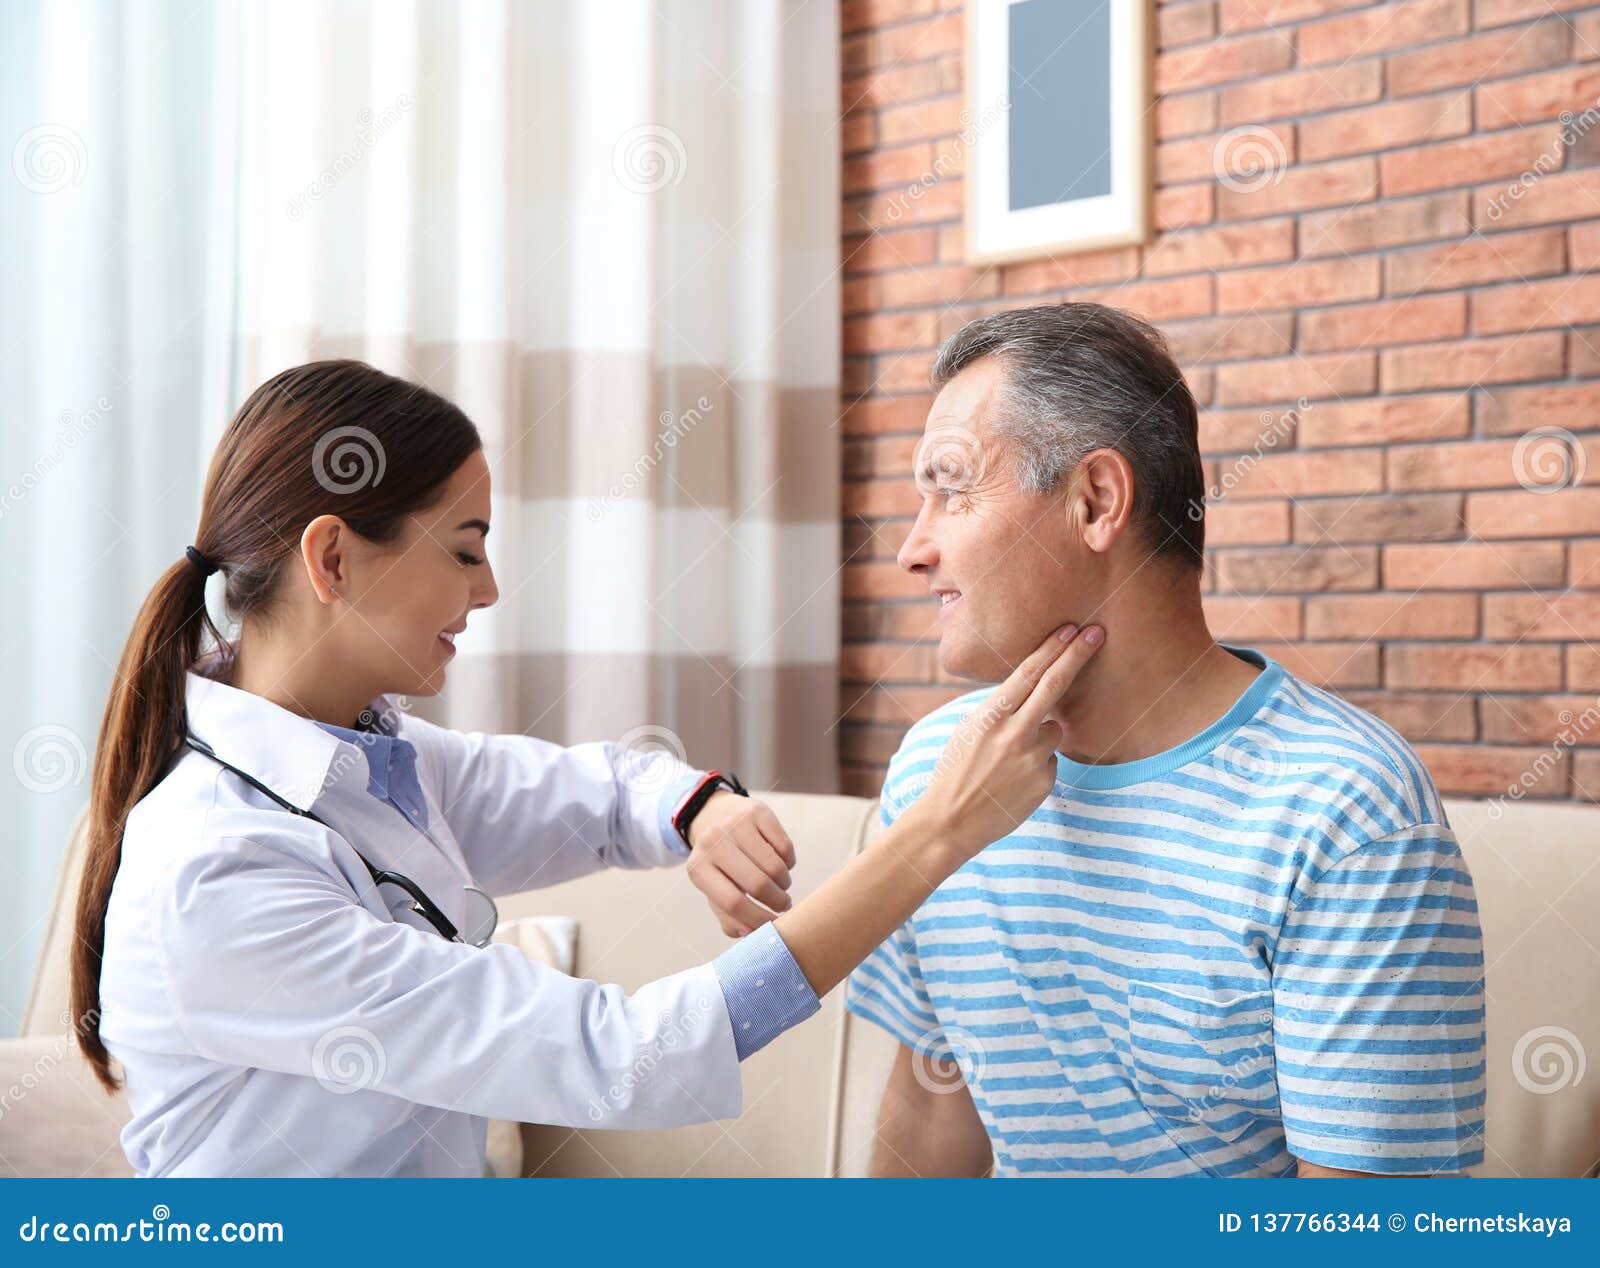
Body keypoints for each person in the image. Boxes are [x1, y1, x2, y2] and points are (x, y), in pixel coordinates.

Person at [71, 359, 1104, 1177]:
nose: (488, 589)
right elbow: (619, 1057)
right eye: (465, 547)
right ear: (333, 559)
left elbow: (592, 789)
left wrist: (695, 806)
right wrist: (934, 836)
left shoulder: (368, 755)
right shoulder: (218, 870)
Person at [845, 302, 1486, 1179]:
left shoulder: (1345, 812)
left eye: (950, 488)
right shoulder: (934, 774)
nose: (912, 549)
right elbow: (929, 1113)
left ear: (1095, 500)